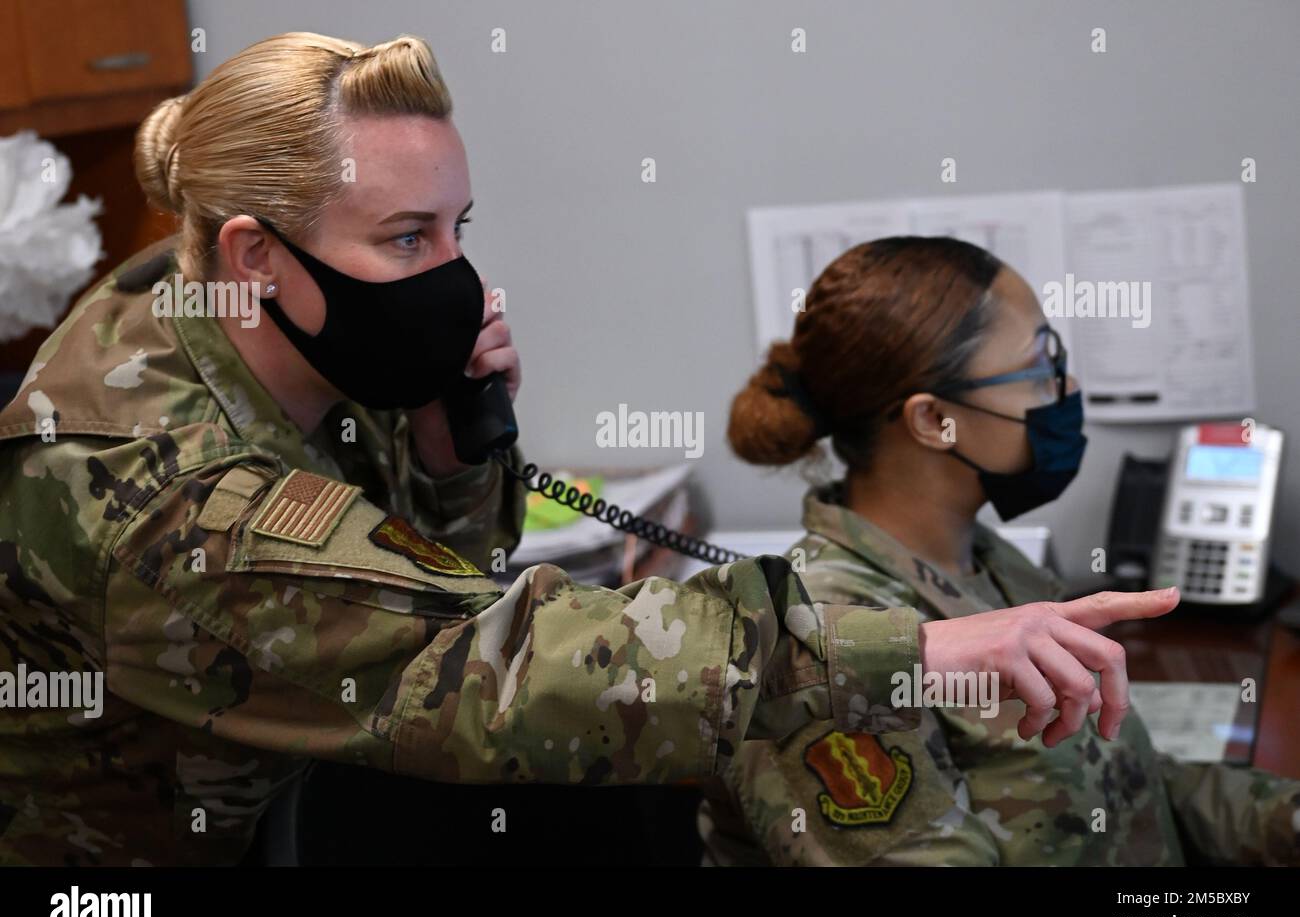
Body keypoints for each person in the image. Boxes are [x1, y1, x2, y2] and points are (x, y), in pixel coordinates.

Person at [0, 34, 1170, 867]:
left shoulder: (244, 306)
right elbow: (474, 662)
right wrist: (905, 642)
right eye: (406, 238)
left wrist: (451, 448)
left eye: (459, 229)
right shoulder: (148, 488)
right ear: (256, 255)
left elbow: (424, 581)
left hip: (298, 791)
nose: (454, 276)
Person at [701, 236, 1300, 866]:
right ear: (933, 420)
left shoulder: (986, 563)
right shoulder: (823, 653)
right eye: (1040, 364)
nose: (1065, 385)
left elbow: (1129, 783)